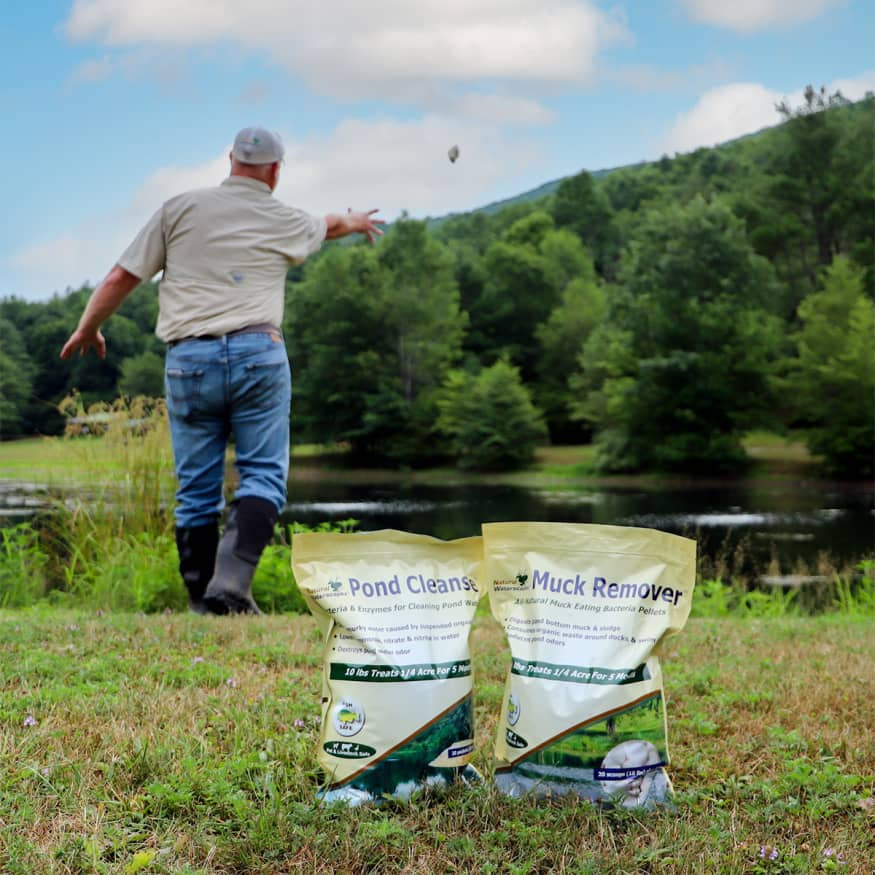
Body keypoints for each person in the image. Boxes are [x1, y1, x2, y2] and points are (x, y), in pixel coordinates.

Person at [60, 126, 384, 615]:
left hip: (189, 360)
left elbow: (120, 276)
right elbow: (331, 225)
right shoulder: (284, 218)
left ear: (230, 159)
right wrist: (357, 220)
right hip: (259, 354)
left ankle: (202, 600)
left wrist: (89, 327)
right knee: (263, 477)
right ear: (276, 170)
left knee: (195, 489)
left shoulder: (179, 209)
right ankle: (229, 586)